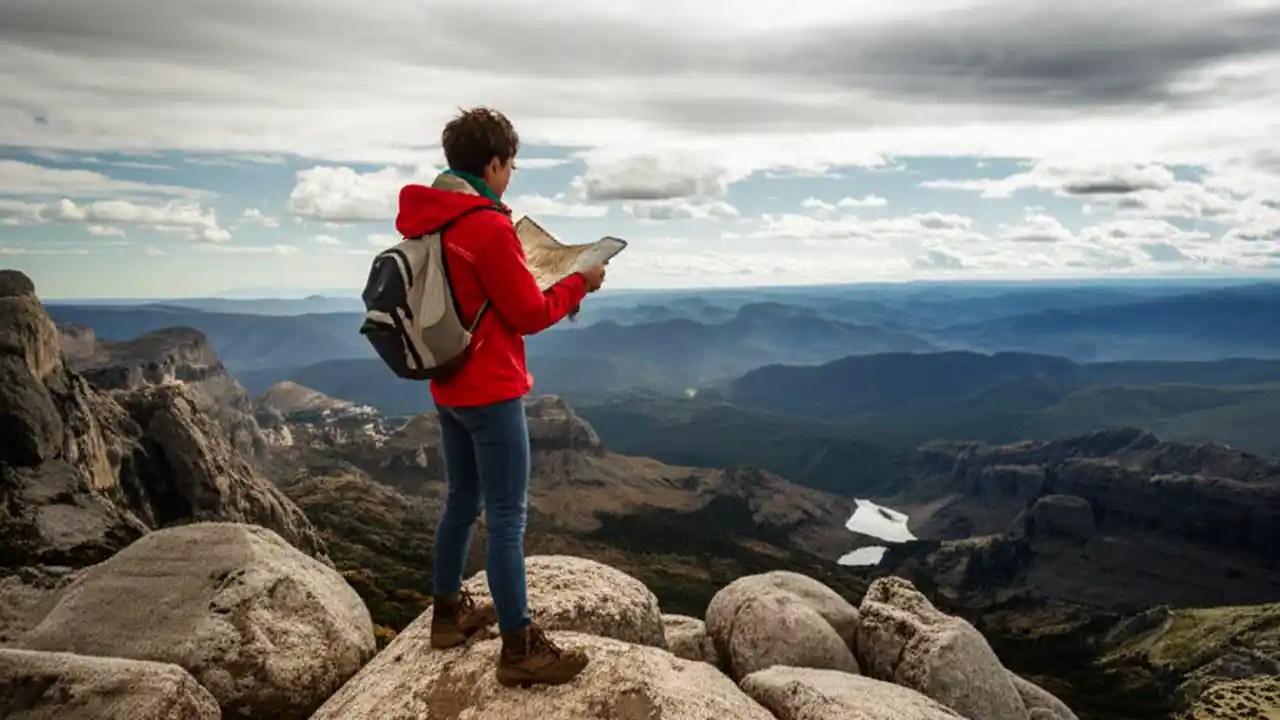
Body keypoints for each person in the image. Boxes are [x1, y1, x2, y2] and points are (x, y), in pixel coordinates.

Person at [393, 107, 607, 687]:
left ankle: (447, 613)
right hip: (490, 389)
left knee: (461, 500)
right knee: (508, 519)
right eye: (509, 165)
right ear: (493, 163)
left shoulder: (431, 222)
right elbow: (529, 313)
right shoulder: (486, 226)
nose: (510, 175)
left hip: (447, 384)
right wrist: (577, 281)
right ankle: (519, 649)